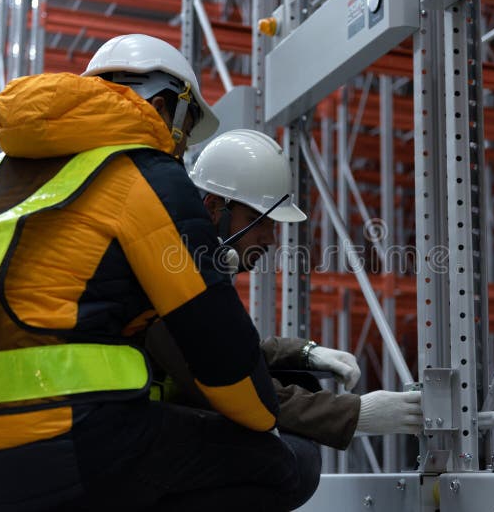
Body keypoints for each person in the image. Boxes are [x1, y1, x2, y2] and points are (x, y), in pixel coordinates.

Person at [0, 34, 319, 511]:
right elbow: (224, 361)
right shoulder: (145, 175)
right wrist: (272, 418)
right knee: (288, 464)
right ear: (167, 105)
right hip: (63, 452)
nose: (181, 146)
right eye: (185, 129)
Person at [145, 129, 423, 451]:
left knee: (299, 380)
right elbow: (225, 373)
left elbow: (223, 349)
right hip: (137, 436)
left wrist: (302, 352)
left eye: (272, 225)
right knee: (289, 459)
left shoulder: (194, 260)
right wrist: (354, 414)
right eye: (257, 220)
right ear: (212, 208)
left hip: (147, 420)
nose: (270, 238)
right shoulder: (176, 270)